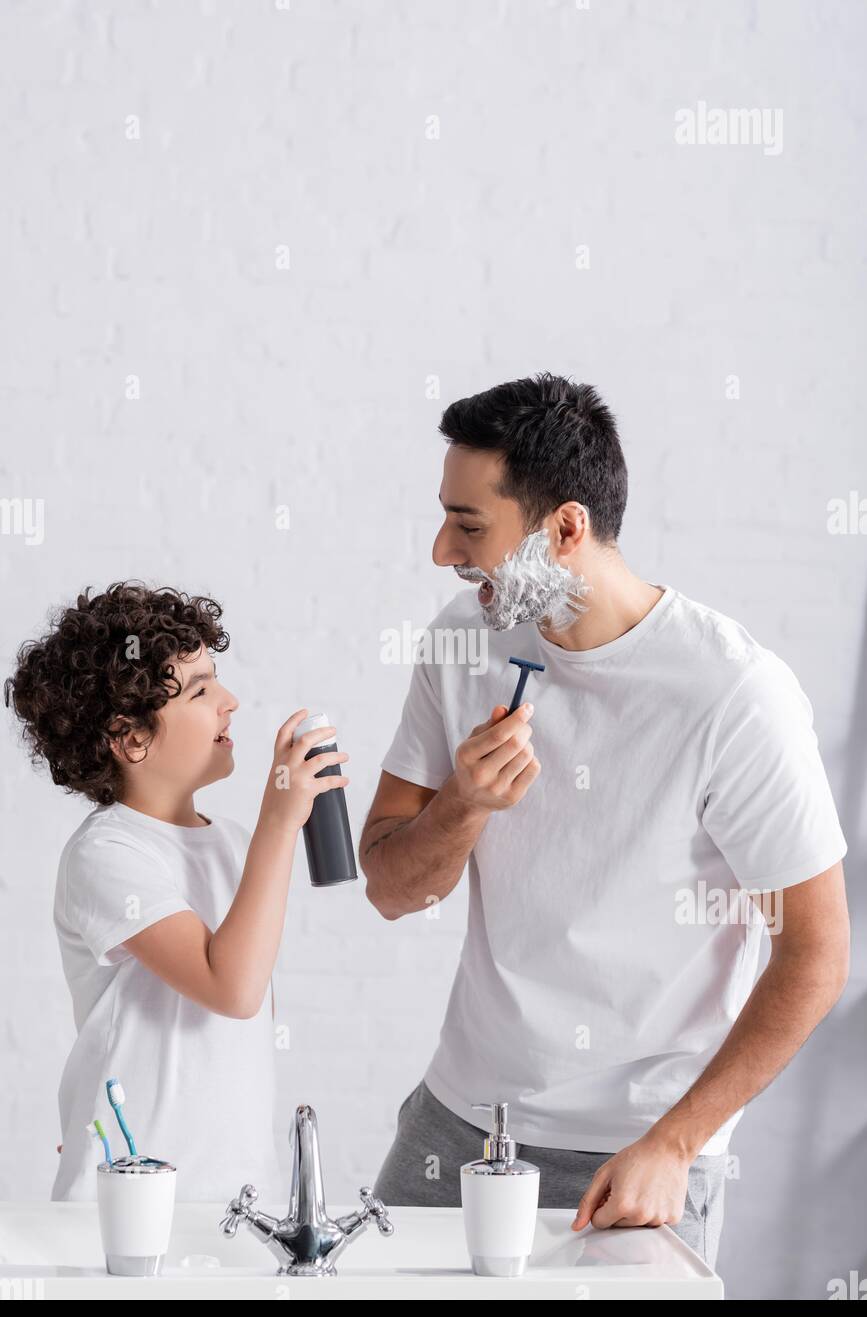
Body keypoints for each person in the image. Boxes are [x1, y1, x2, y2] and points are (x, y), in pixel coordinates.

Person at [361, 373, 850, 1269]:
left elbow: (815, 953)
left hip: (635, 1156)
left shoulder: (732, 695)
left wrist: (675, 1144)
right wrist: (463, 808)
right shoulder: (461, 642)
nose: (441, 551)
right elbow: (391, 887)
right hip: (457, 1123)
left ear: (566, 528)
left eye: (469, 525)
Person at [4, 582, 349, 1200]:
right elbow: (233, 989)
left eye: (216, 680)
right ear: (132, 737)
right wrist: (279, 822)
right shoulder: (106, 854)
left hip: (236, 1196)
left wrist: (271, 830)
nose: (230, 702)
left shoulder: (236, 843)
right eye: (200, 690)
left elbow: (242, 1027)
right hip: (130, 1201)